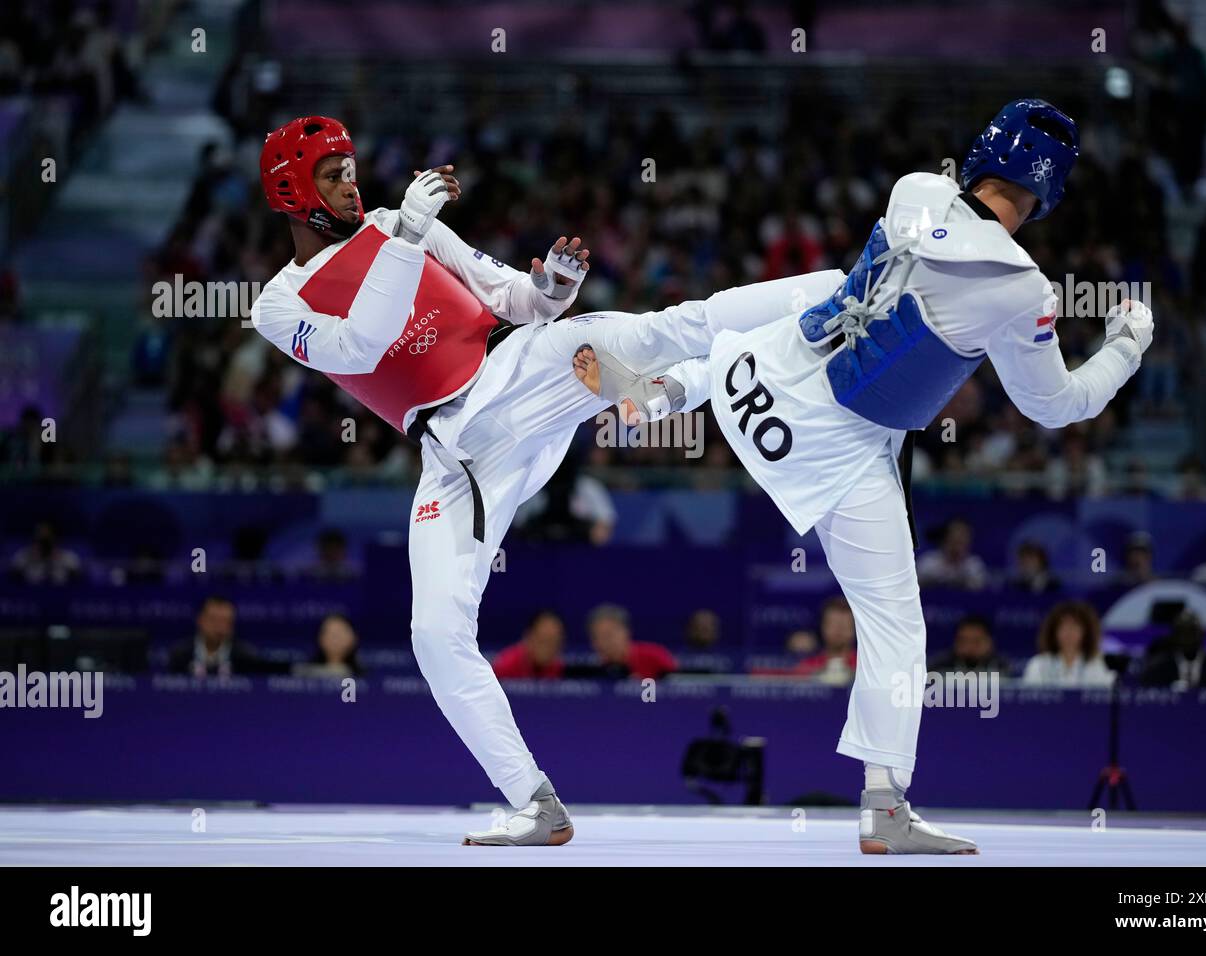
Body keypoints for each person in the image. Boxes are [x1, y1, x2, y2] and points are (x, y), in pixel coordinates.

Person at [578, 99, 1153, 853]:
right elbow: (1054, 406)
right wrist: (1126, 347)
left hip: (756, 379)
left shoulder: (913, 188)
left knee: (811, 291)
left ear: (983, 155)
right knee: (895, 628)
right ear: (1046, 191)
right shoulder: (1025, 290)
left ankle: (655, 384)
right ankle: (884, 807)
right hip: (830, 447)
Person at [250, 116, 841, 846]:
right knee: (434, 635)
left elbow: (515, 302)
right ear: (291, 190)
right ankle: (535, 801)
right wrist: (403, 235)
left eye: (350, 170)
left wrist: (551, 287)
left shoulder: (405, 227)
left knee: (668, 326)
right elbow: (361, 344)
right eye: (332, 176)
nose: (351, 184)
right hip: (459, 454)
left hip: (522, 368)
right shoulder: (279, 303)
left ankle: (834, 296)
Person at [1022, 601, 1115, 688]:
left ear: (1086, 631)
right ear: (1053, 631)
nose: (1068, 632)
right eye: (1063, 627)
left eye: (1074, 626)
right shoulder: (1038, 664)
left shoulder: (1102, 665)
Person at [166, 596, 262, 677]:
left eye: (225, 621)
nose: (220, 627)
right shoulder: (180, 654)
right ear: (200, 620)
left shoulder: (246, 656)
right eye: (214, 620)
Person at [1139, 611, 1206, 689]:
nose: (1187, 639)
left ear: (1202, 635)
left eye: (1191, 632)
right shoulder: (1156, 672)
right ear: (1174, 637)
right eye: (1182, 633)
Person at [584, 604, 678, 680]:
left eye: (608, 635)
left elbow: (678, 685)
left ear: (626, 632)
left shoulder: (654, 655)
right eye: (596, 637)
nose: (602, 642)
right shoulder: (592, 668)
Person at [793, 596, 857, 684]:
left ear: (855, 629)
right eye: (833, 624)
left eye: (845, 626)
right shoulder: (806, 667)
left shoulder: (865, 667)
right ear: (822, 627)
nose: (838, 630)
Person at [492, 610, 566, 680]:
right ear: (528, 637)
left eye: (553, 643)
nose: (547, 649)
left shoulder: (558, 668)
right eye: (542, 641)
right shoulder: (504, 667)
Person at [928, 615, 1008, 674]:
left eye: (976, 641)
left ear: (989, 642)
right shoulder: (938, 669)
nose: (970, 647)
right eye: (964, 641)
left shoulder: (1003, 669)